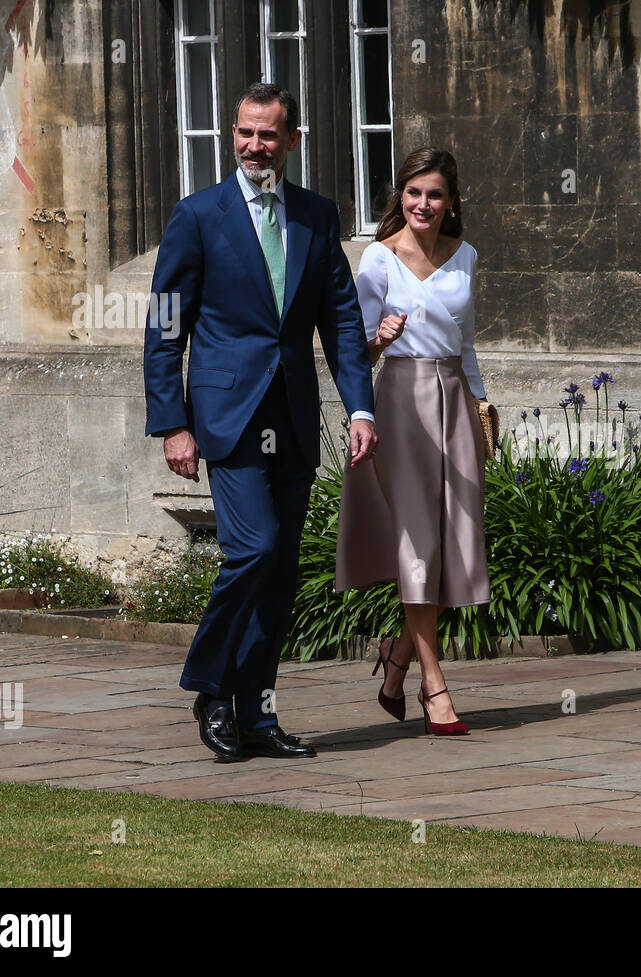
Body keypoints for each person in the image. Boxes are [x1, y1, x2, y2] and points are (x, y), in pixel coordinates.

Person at [144, 83, 377, 761]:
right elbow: (164, 327)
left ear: (293, 141)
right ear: (232, 136)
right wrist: (172, 422)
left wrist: (360, 405)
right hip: (228, 417)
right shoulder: (198, 216)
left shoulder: (316, 216)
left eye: (268, 135)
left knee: (277, 576)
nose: (254, 146)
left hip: (295, 418)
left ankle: (256, 714)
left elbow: (340, 320)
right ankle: (209, 685)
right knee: (252, 548)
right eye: (244, 133)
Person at [335, 147, 490, 736]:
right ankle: (436, 688)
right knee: (418, 546)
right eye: (414, 193)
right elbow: (354, 354)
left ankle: (396, 661)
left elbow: (467, 341)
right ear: (399, 196)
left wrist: (480, 405)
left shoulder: (466, 256)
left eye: (435, 194)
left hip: (455, 402)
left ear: (452, 202)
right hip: (399, 401)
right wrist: (378, 338)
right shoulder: (377, 260)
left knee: (456, 546)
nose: (423, 204)